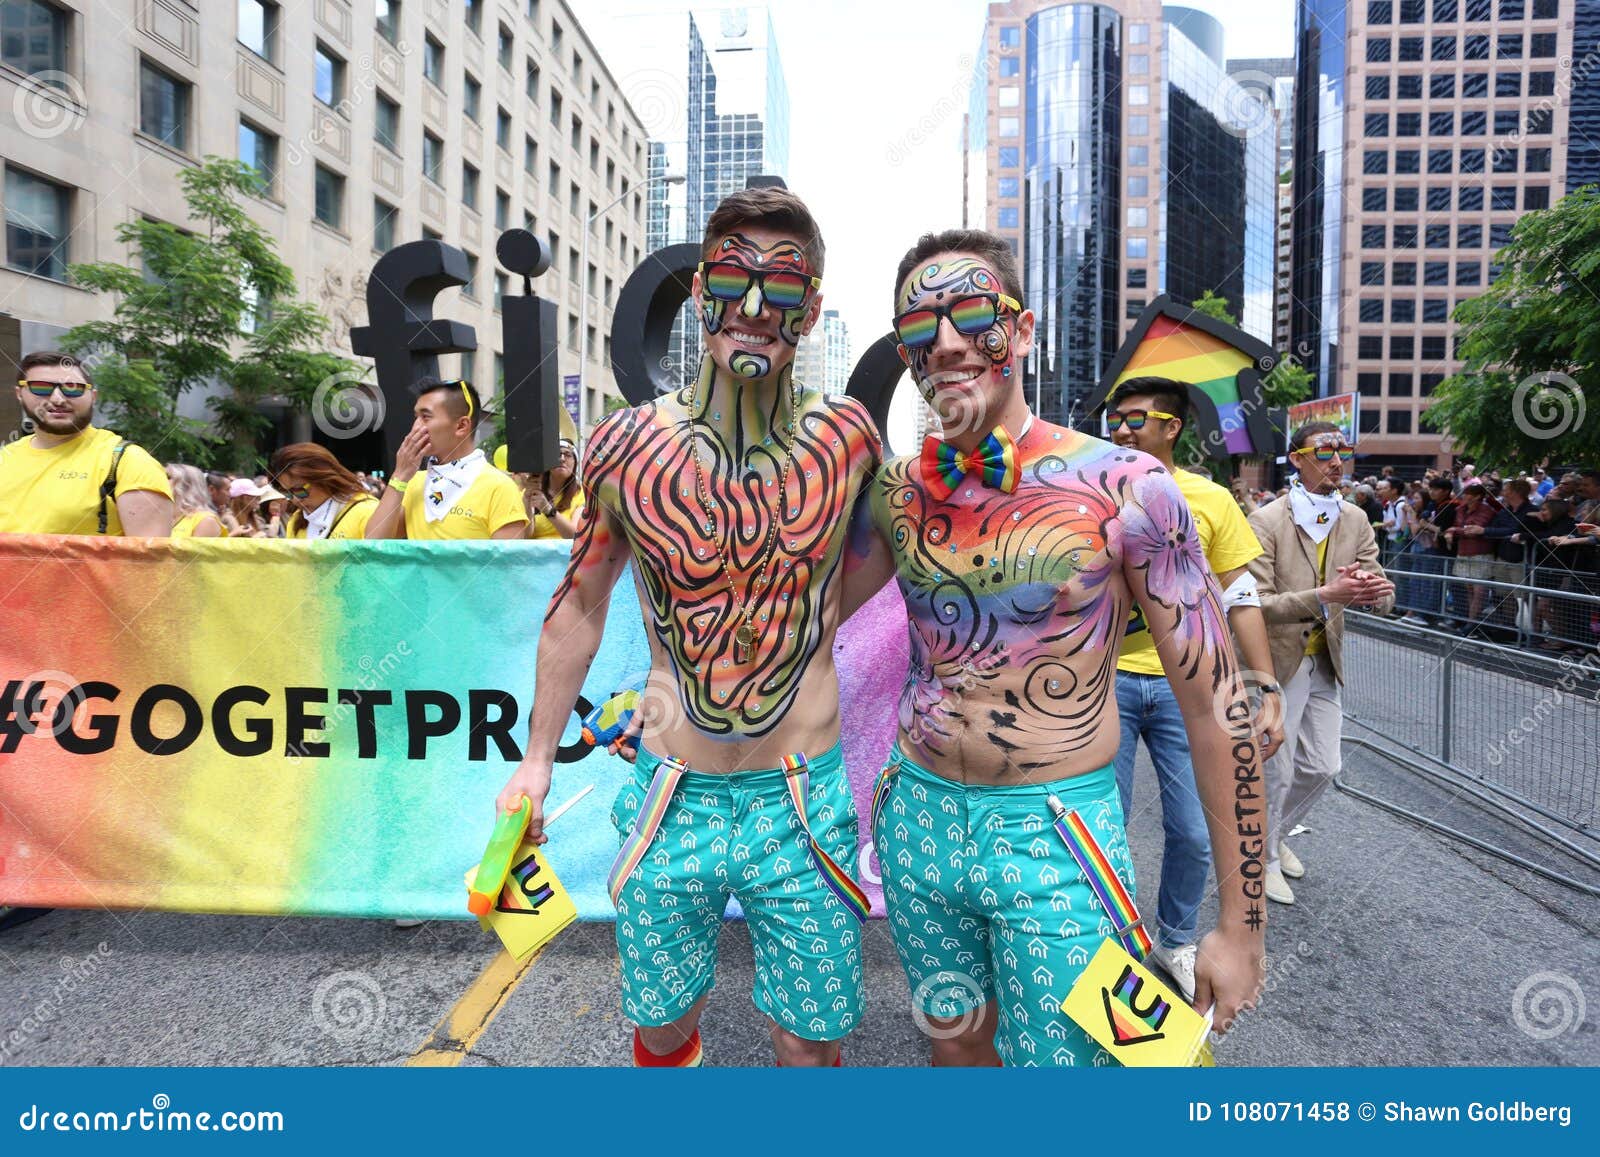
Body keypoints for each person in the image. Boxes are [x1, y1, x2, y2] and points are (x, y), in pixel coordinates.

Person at [845, 230, 1266, 1067]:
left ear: (1023, 329)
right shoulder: (894, 493)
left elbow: (1219, 705)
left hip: (1057, 832)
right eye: (921, 328)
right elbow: (798, 620)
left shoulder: (1129, 487)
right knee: (957, 1047)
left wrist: (1241, 925)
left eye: (972, 313)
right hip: (918, 827)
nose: (950, 342)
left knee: (1084, 1076)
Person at [494, 187, 881, 1067]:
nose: (753, 309)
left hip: (802, 794)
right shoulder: (627, 444)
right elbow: (580, 605)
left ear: (811, 308)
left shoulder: (850, 440)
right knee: (662, 1021)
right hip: (673, 791)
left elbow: (891, 562)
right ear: (702, 288)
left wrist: (804, 622)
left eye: (781, 287)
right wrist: (536, 761)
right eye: (732, 279)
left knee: (809, 1035)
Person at [1102, 376, 1283, 1001]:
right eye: (1114, 419)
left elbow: (1241, 595)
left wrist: (1265, 687)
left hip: (1193, 693)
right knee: (1105, 827)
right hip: (1107, 687)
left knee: (1195, 830)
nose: (1121, 428)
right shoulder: (1094, 489)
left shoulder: (1209, 499)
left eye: (1134, 418)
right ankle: (1108, 947)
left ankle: (1174, 938)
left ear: (1172, 426)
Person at [1247, 422, 1394, 906]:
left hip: (1325, 661)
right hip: (1275, 661)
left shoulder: (1354, 519)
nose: (1337, 461)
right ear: (1297, 459)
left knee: (1324, 767)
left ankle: (1274, 837)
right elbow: (1257, 604)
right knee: (1276, 770)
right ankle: (1262, 859)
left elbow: (1382, 588)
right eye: (1324, 451)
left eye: (1343, 451)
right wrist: (1324, 595)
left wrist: (1375, 592)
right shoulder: (1266, 520)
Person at [0, 351, 173, 537]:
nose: (58, 399)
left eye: (73, 388)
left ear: (93, 396)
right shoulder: (5, 457)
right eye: (41, 388)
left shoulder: (128, 462)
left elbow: (150, 563)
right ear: (19, 394)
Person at [364, 378, 528, 541]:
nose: (415, 427)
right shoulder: (413, 482)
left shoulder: (500, 487)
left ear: (461, 426)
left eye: (426, 417)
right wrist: (399, 475)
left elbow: (506, 565)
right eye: (416, 417)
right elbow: (372, 543)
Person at [269, 442, 381, 540]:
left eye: (300, 490)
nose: (295, 500)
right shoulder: (296, 521)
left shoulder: (368, 510)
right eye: (286, 493)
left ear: (324, 476)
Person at [1444, 481, 1496, 630]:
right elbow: (1463, 528)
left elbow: (1473, 530)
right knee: (1469, 589)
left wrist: (1454, 530)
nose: (1464, 496)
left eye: (1468, 494)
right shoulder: (1460, 509)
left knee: (1479, 591)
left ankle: (1471, 624)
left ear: (1477, 496)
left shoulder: (1486, 510)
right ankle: (1470, 621)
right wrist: (1454, 530)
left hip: (1481, 553)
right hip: (1463, 552)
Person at [165, 464, 225, 538]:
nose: (159, 479)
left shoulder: (206, 521)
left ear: (186, 484)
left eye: (168, 477)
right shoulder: (162, 516)